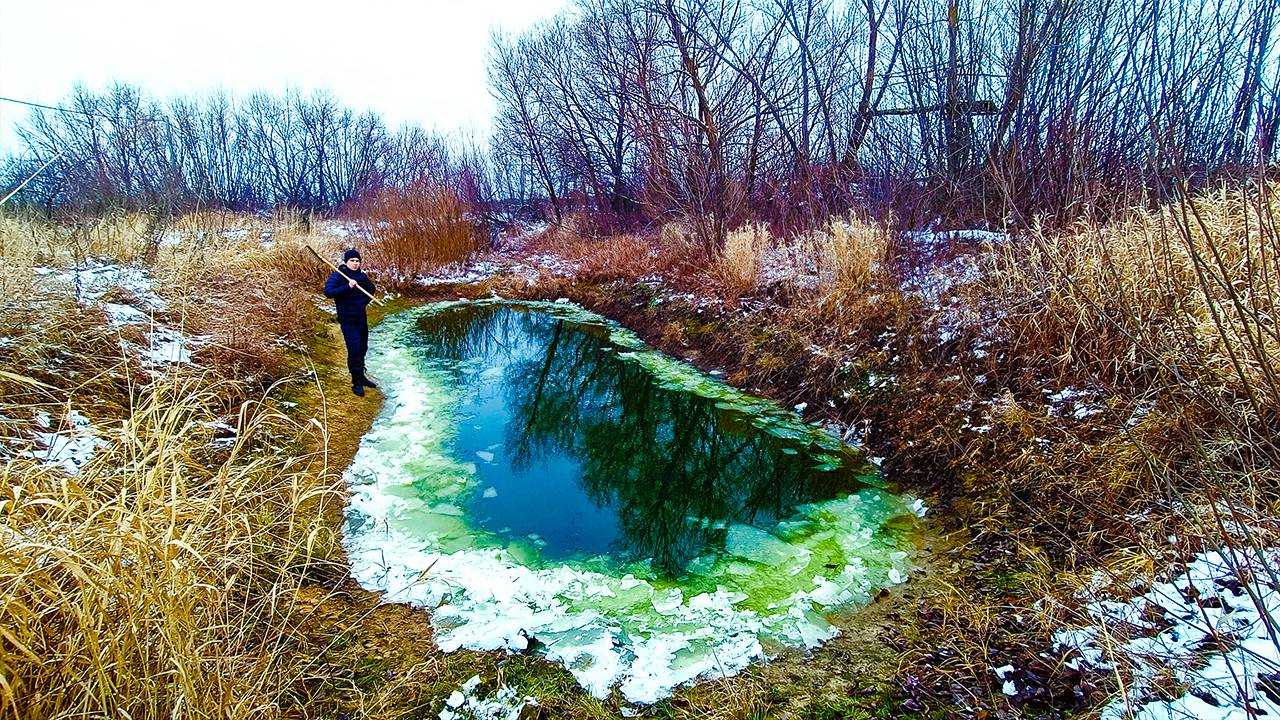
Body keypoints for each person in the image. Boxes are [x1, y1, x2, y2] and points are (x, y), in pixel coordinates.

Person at [323, 248, 378, 396]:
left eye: (357, 261)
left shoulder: (361, 276)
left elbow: (371, 290)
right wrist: (347, 286)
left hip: (361, 317)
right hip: (347, 319)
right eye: (352, 261)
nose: (355, 263)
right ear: (346, 262)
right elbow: (328, 292)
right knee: (354, 349)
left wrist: (362, 303)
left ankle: (361, 376)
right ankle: (356, 382)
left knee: (363, 348)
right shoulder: (338, 275)